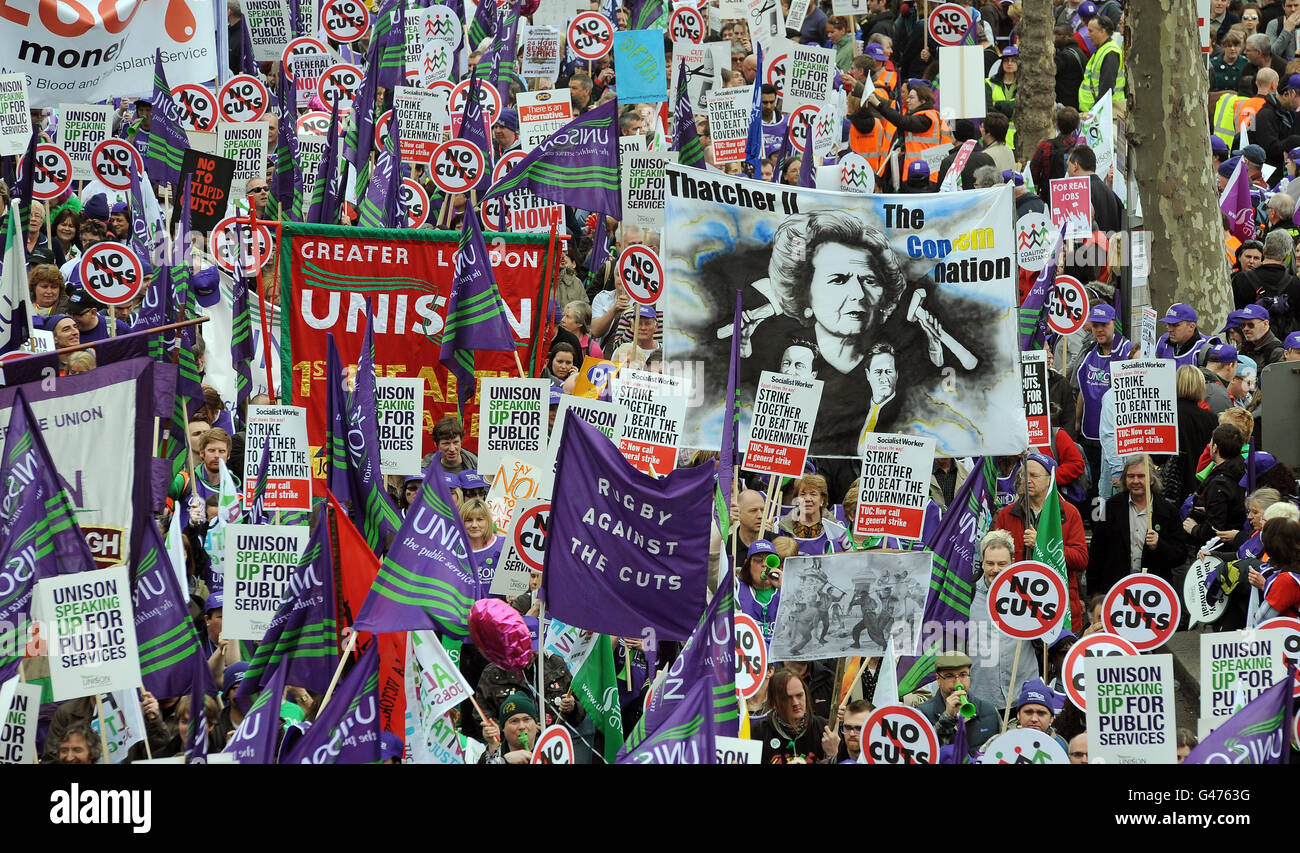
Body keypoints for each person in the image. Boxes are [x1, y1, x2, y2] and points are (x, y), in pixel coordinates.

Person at [994, 453, 1089, 627]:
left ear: (1049, 480)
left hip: (1058, 605)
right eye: (1024, 475)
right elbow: (994, 556)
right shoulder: (1006, 515)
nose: (1027, 480)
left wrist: (1042, 543)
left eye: (1034, 476)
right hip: (1017, 605)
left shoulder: (1069, 513)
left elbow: (1081, 559)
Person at [1088, 455, 1187, 594]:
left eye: (1141, 476)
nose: (1135, 481)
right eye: (1130, 476)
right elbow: (1097, 550)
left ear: (1152, 479)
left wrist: (1160, 544)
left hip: (1153, 593)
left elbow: (1180, 556)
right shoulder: (1111, 507)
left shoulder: (1169, 511)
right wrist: (1094, 593)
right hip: (1116, 590)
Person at [969, 529, 1038, 708]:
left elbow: (1049, 631)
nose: (995, 570)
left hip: (1022, 698)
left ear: (1012, 562)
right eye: (990, 563)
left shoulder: (1031, 594)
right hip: (981, 699)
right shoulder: (967, 595)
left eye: (1002, 564)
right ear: (982, 563)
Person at [1071, 302, 1134, 497]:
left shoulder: (1127, 350)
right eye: (1095, 325)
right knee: (1094, 483)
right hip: (1090, 433)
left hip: (1116, 435)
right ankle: (1096, 522)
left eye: (1104, 325)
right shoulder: (1090, 352)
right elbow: (1083, 388)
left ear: (1113, 323)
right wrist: (1077, 421)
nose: (1099, 330)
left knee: (1113, 488)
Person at [868, 81, 953, 185]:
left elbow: (902, 122)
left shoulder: (926, 118)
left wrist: (878, 105)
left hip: (922, 176)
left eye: (911, 98)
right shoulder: (932, 116)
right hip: (923, 172)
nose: (907, 100)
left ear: (922, 100)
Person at [917, 651, 1002, 752]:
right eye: (949, 676)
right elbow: (924, 752)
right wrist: (947, 718)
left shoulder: (989, 710)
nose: (958, 683)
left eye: (963, 675)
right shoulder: (922, 714)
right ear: (938, 679)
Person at [1183, 423, 1248, 553]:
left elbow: (1215, 529)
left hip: (1218, 553)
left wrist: (1194, 529)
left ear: (1215, 448)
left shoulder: (1220, 483)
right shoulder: (1242, 470)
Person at [752, 667, 839, 763]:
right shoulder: (758, 733)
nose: (796, 703)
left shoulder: (824, 730)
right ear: (774, 703)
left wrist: (833, 754)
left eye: (799, 695)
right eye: (787, 698)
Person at [779, 473, 847, 548]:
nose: (807, 499)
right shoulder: (779, 528)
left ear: (822, 500)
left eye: (813, 494)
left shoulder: (837, 529)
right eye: (803, 494)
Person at [1078, 15, 1125, 114]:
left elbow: (1107, 89)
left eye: (1091, 31)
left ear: (1102, 31)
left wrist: (1095, 114)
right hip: (1098, 111)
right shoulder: (1103, 49)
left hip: (1103, 113)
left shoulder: (1110, 52)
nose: (1087, 35)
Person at [479, 692, 541, 764]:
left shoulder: (548, 748)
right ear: (503, 728)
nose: (522, 726)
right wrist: (504, 760)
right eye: (514, 721)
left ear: (536, 724)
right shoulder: (493, 754)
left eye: (526, 719)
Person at [1154, 303, 1212, 368]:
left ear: (1191, 327)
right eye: (1168, 324)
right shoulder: (1163, 342)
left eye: (1175, 325)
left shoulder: (1206, 349)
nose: (1170, 329)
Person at [985, 48, 1019, 153]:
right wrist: (1011, 107)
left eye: (1013, 60)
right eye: (1006, 60)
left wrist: (997, 104)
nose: (1009, 63)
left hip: (1018, 140)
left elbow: (1021, 108)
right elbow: (988, 109)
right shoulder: (989, 83)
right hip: (995, 139)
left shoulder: (1025, 84)